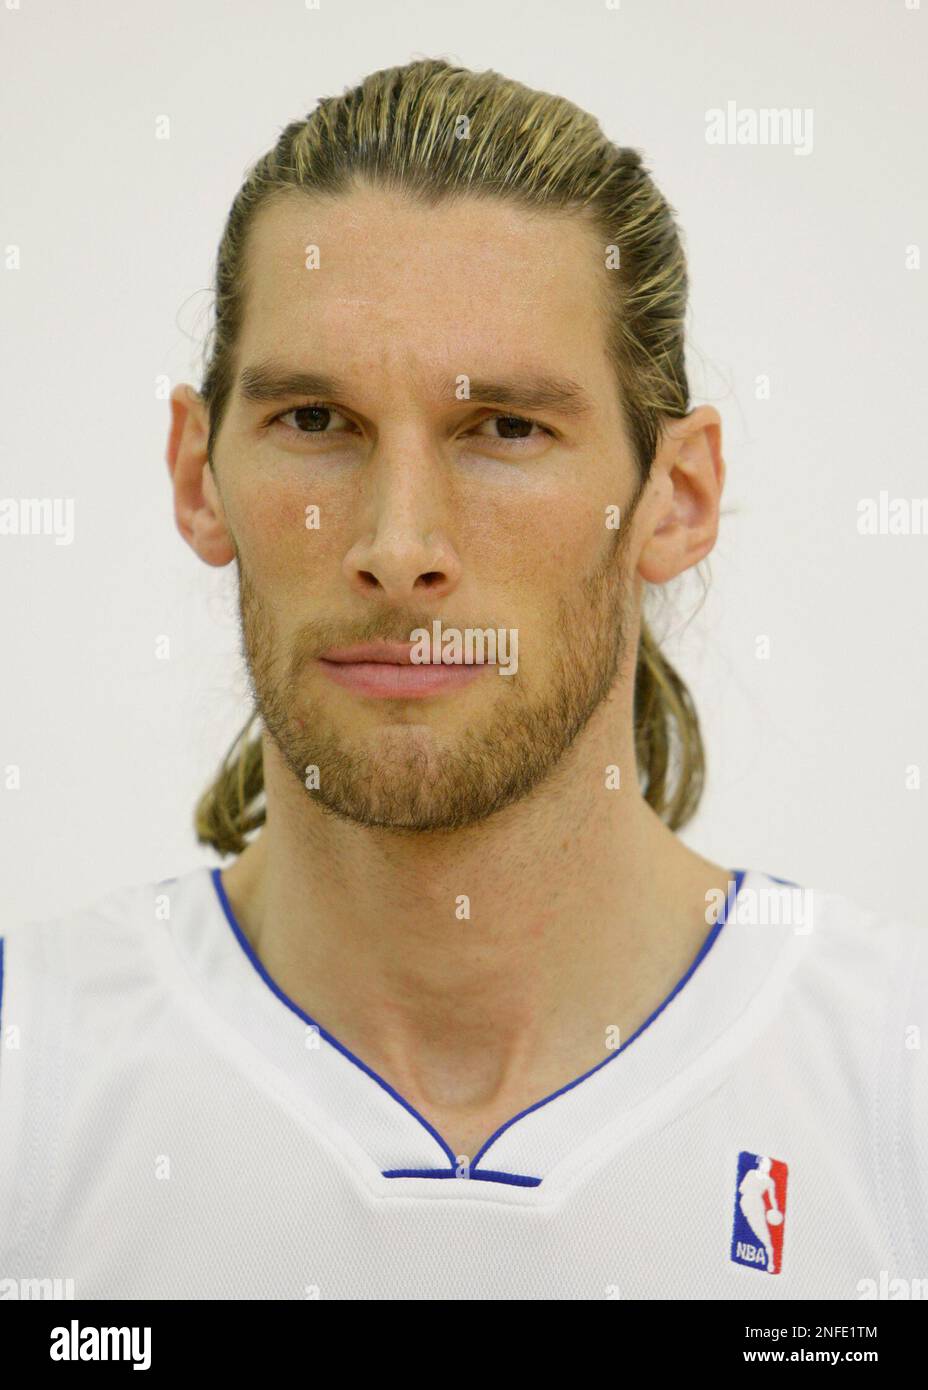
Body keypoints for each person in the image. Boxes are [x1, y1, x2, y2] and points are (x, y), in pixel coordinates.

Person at [1, 57, 925, 1300]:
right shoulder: (31, 1078)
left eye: (504, 429)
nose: (396, 550)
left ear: (678, 497)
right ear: (194, 472)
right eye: (316, 422)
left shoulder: (889, 1085)